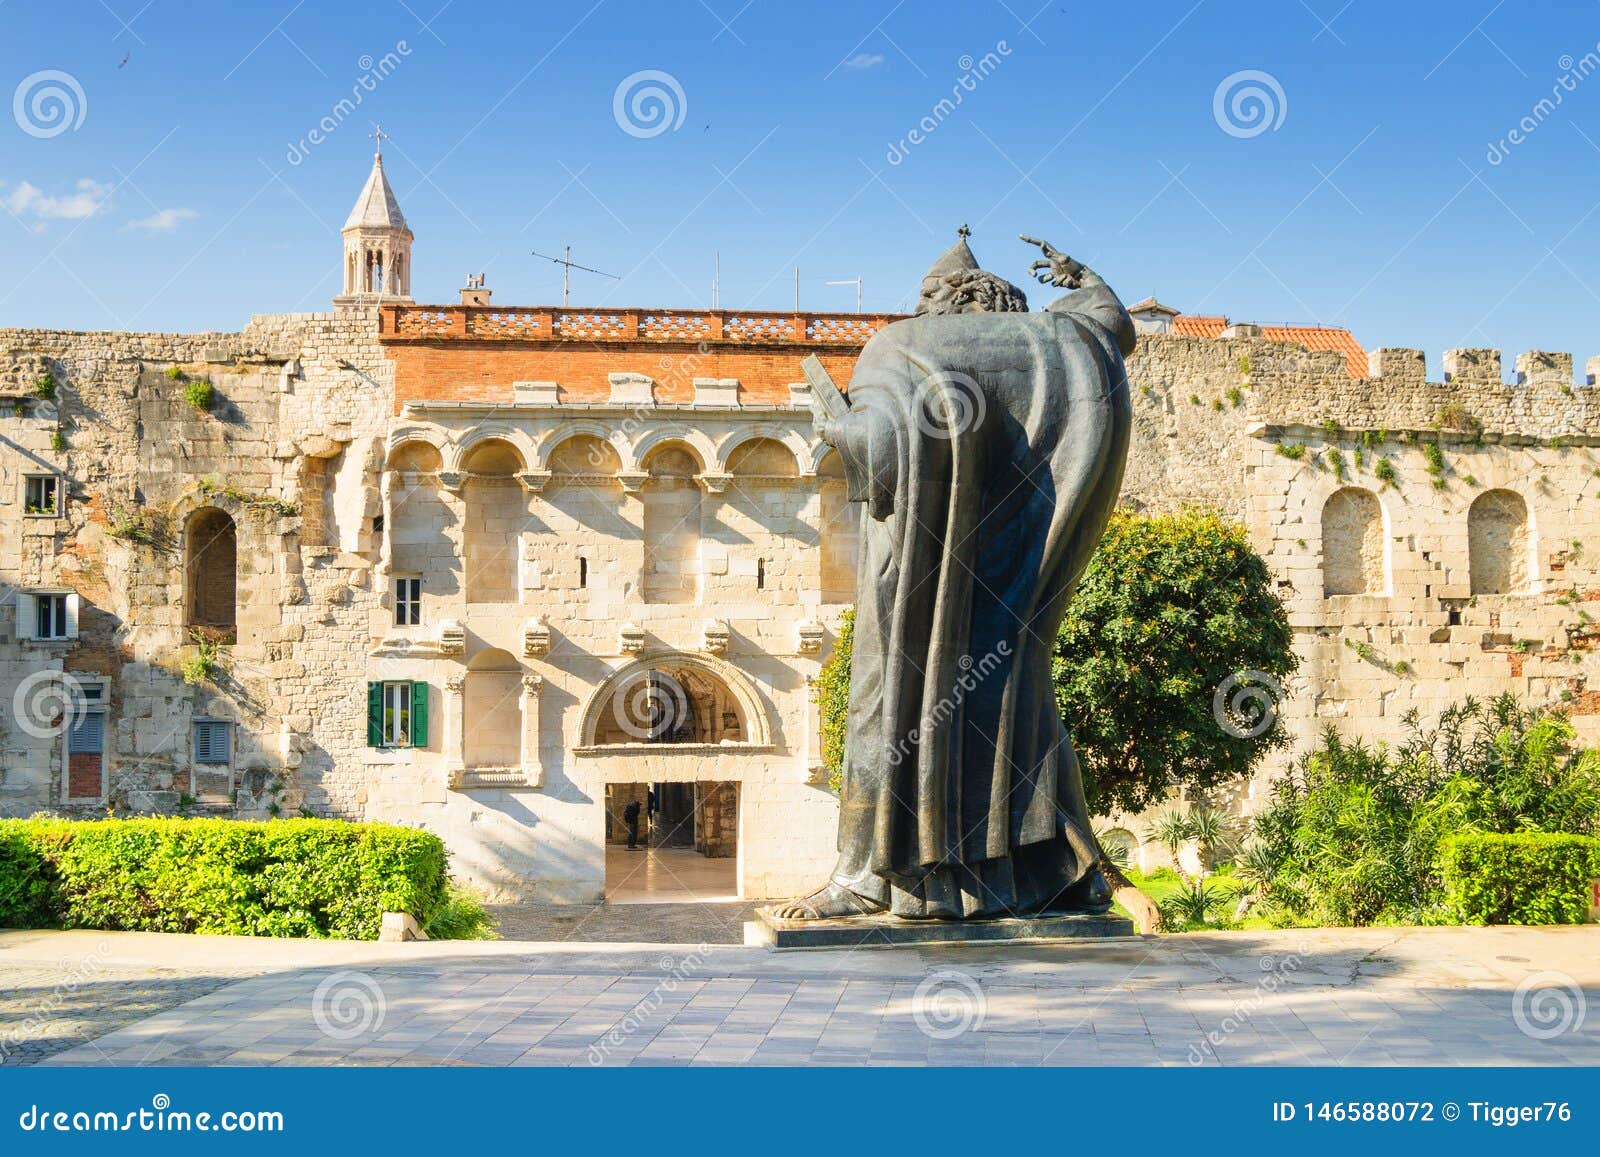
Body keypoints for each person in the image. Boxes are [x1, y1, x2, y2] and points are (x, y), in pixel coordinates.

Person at [771, 231, 1134, 921]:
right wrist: (1083, 274)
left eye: (927, 299)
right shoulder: (1058, 342)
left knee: (883, 707)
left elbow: (881, 454)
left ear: (947, 301)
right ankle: (1037, 871)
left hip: (915, 580)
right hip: (1014, 583)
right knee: (1017, 701)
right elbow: (1110, 325)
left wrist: (838, 429)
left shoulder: (908, 345)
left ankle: (862, 880)